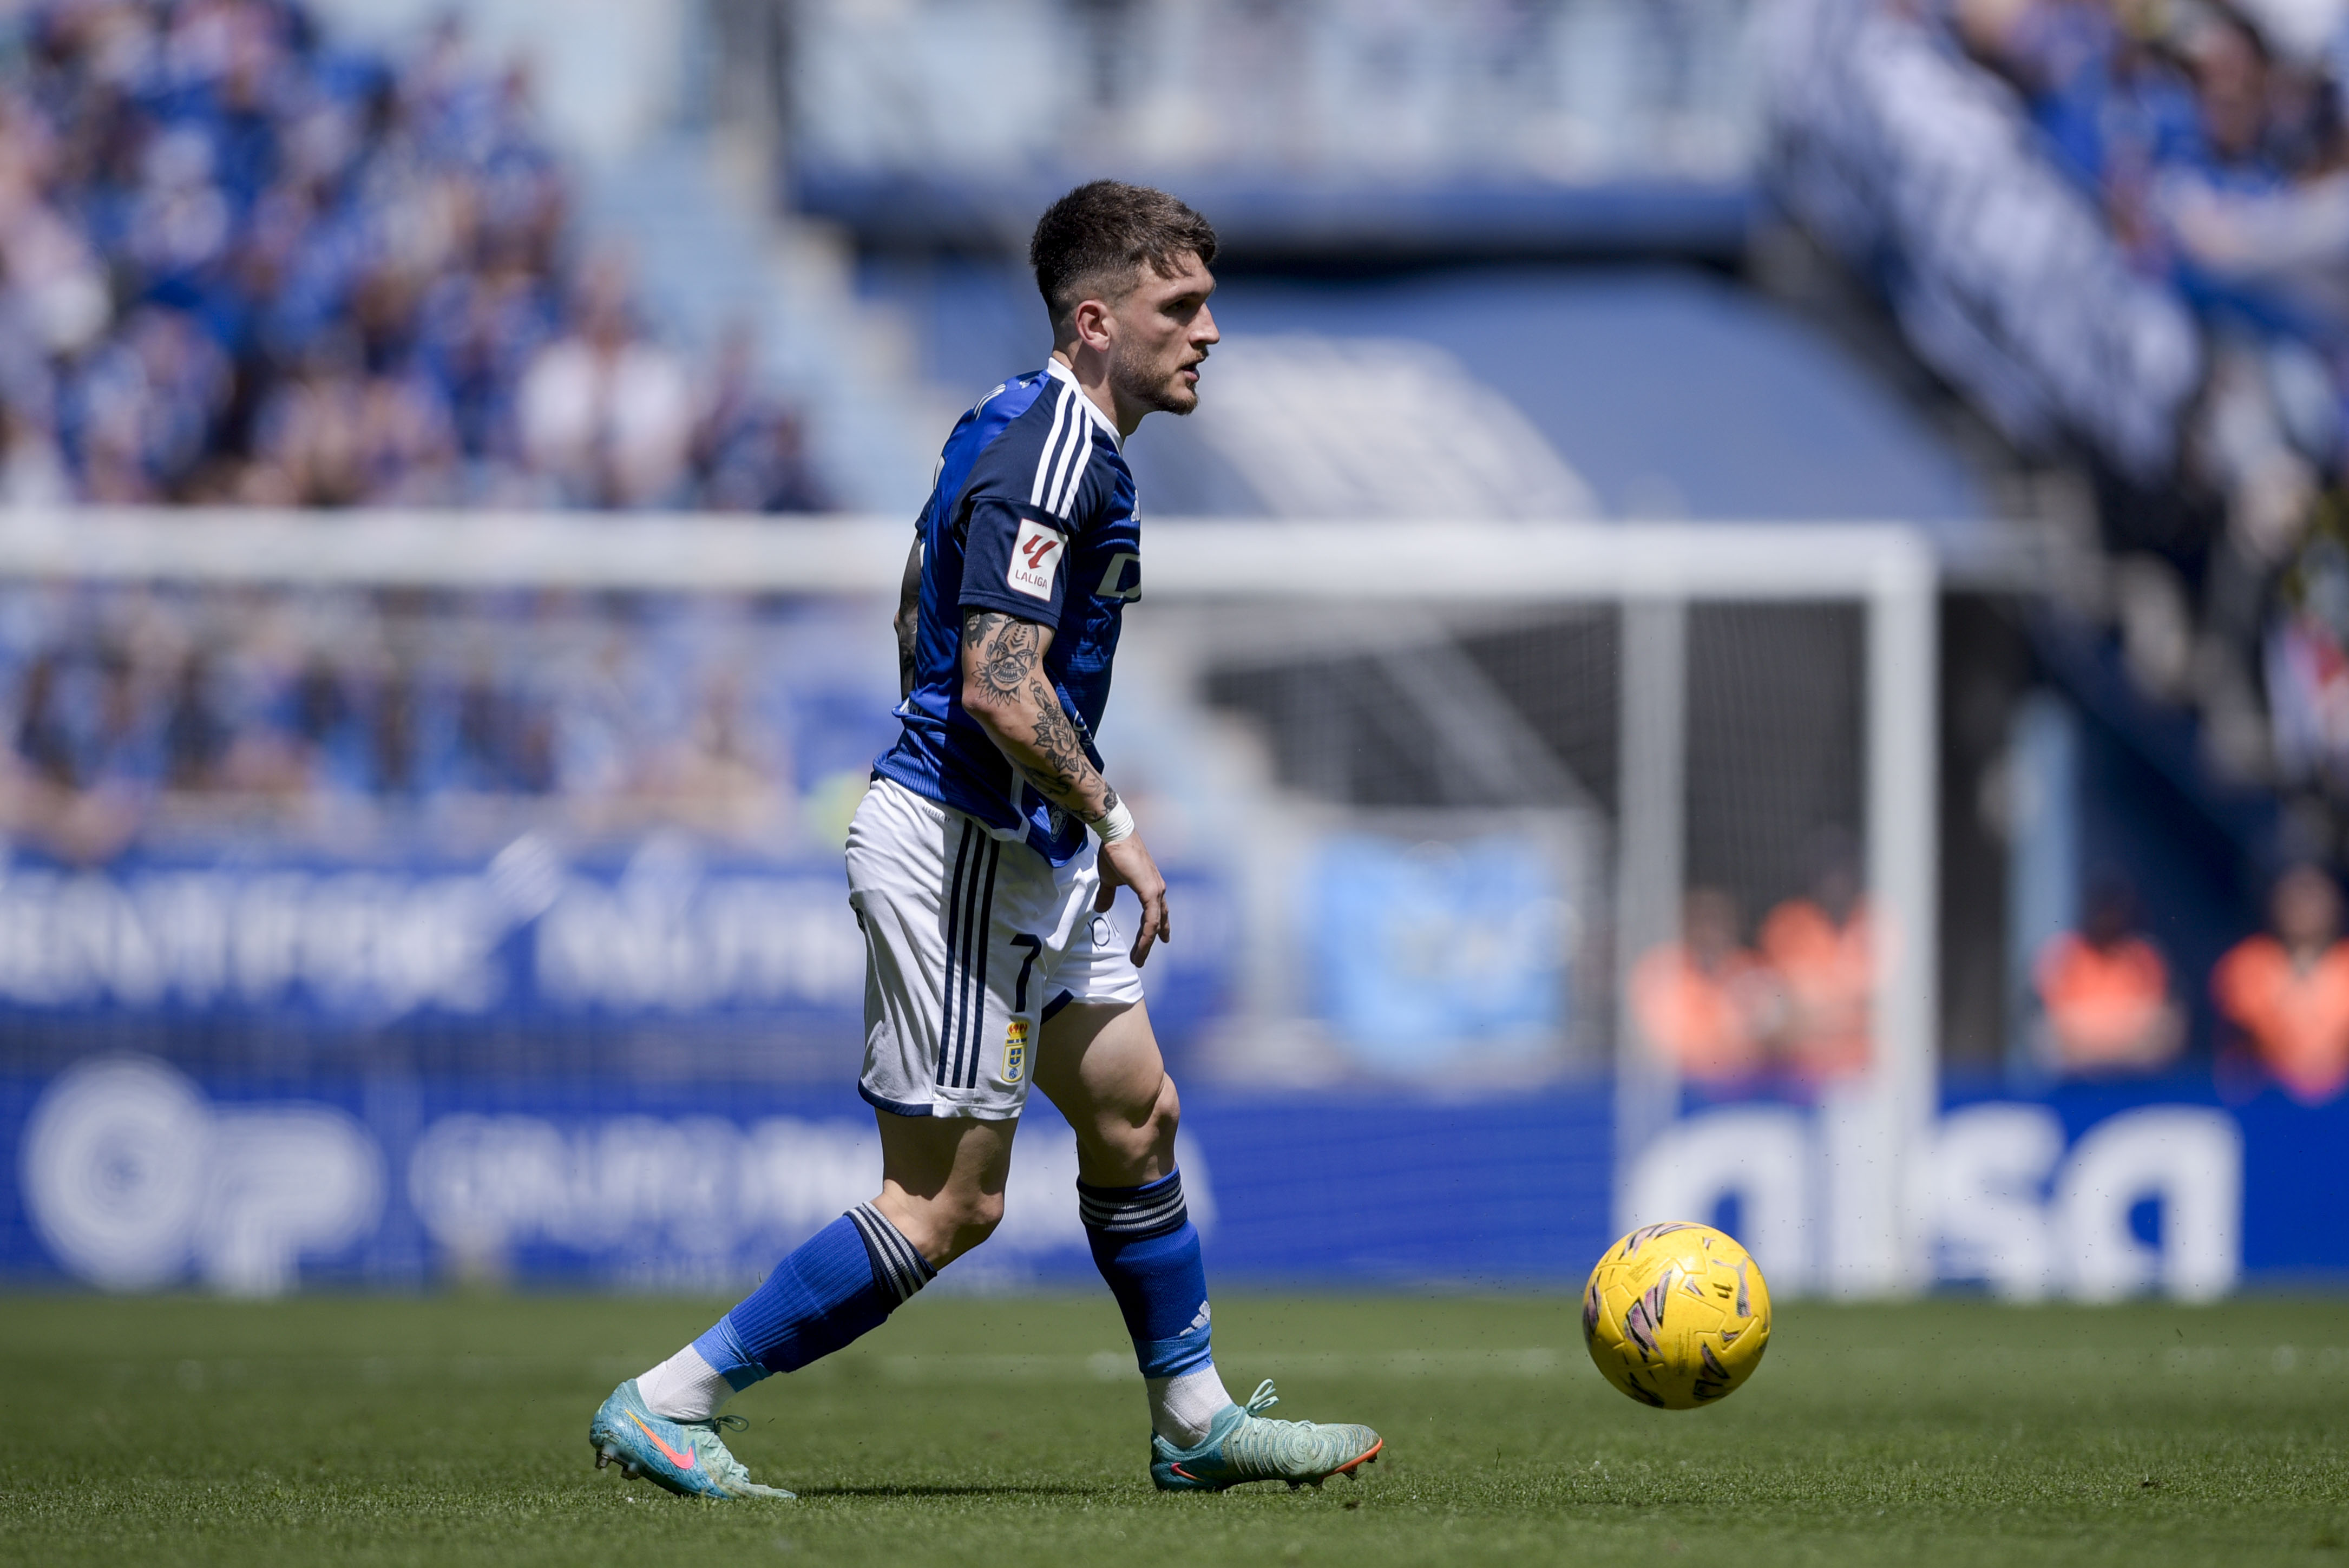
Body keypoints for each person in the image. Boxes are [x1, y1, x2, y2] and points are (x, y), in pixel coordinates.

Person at [585, 182, 1381, 1499]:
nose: (1210, 332)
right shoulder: (1051, 449)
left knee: (1135, 1111)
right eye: (1179, 306)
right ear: (1094, 318)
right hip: (963, 839)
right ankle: (669, 1397)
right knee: (947, 1203)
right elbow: (998, 684)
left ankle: (1193, 1418)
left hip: (1022, 840)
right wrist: (1116, 816)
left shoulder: (1026, 428)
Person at [2213, 862, 2349, 1103]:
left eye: (2313, 897)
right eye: (2293, 898)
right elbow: (2244, 1036)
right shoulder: (2247, 962)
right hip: (2268, 1099)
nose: (2304, 908)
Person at [2032, 877, 2183, 1074]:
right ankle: (2067, 1091)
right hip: (2079, 1046)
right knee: (2044, 1029)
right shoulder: (2065, 952)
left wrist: (2119, 1029)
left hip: (2130, 1045)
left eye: (2114, 913)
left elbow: (2157, 1007)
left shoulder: (2141, 954)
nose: (2108, 920)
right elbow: (2049, 1007)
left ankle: (2146, 1092)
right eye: (2102, 913)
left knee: (2169, 1020)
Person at [1629, 887, 1774, 1084]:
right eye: (1702, 924)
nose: (1711, 933)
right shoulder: (1663, 968)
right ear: (1686, 927)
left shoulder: (1746, 966)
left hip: (1743, 1086)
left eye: (1719, 924)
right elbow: (1673, 1046)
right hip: (1680, 1086)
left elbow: (1773, 1039)